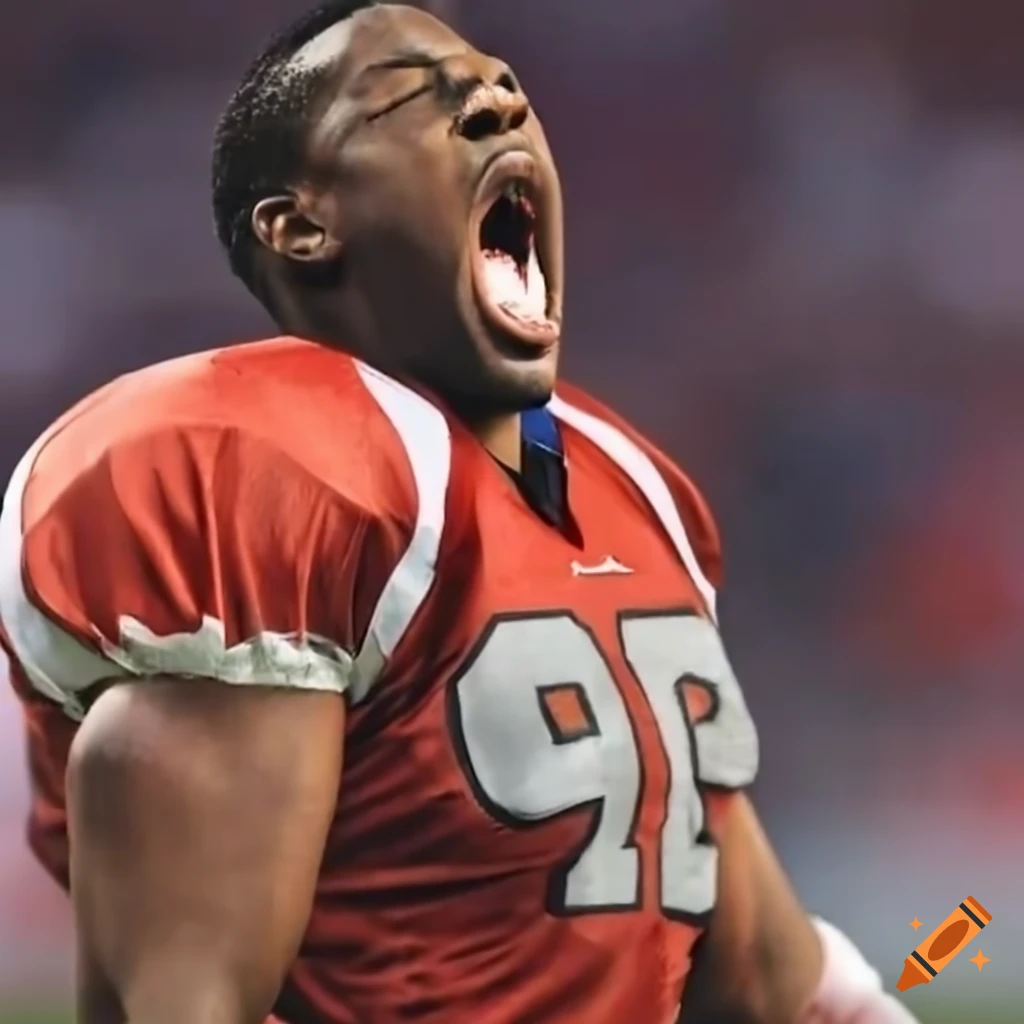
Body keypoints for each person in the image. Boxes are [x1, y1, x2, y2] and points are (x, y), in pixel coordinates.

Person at [0, 3, 917, 1022]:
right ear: (301, 225)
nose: (493, 102)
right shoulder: (258, 472)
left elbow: (747, 963)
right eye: (402, 97)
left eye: (504, 88)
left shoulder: (628, 481)